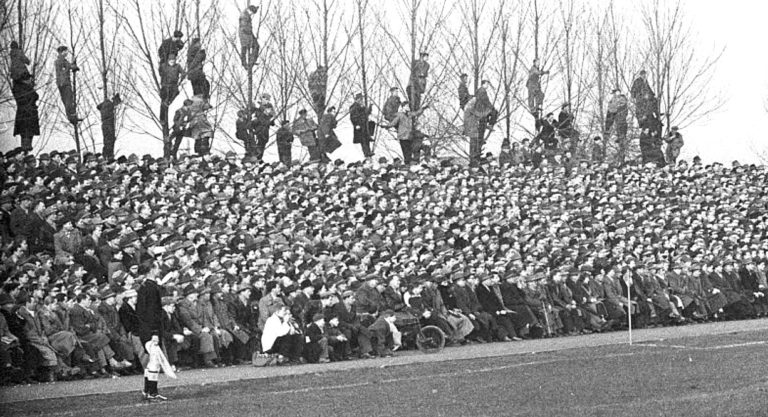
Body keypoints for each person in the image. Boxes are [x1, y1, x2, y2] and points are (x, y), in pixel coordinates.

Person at [159, 54, 184, 155]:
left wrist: (182, 77)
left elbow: (183, 72)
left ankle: (169, 101)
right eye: (171, 60)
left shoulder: (177, 66)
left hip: (173, 85)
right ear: (168, 60)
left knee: (176, 93)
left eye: (173, 60)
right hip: (165, 85)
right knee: (163, 103)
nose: (172, 61)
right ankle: (162, 118)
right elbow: (160, 71)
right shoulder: (164, 66)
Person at [11, 73, 39, 151]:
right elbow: (35, 96)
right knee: (27, 135)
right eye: (30, 79)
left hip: (25, 115)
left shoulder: (19, 88)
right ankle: (26, 151)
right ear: (26, 80)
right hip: (27, 115)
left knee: (27, 135)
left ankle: (26, 150)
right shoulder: (24, 88)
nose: (31, 80)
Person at [54, 46, 80, 124]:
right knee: (68, 100)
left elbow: (68, 66)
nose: (67, 53)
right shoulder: (61, 60)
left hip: (61, 83)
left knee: (67, 100)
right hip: (64, 83)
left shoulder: (61, 60)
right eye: (65, 51)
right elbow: (68, 66)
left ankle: (72, 116)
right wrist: (74, 66)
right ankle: (72, 117)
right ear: (62, 52)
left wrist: (73, 65)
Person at [96, 94, 122, 160]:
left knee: (106, 142)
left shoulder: (105, 104)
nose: (117, 106)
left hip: (105, 125)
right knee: (109, 142)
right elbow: (109, 119)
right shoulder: (109, 105)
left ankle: (105, 156)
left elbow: (98, 107)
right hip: (108, 126)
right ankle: (107, 157)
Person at [604, 89, 629, 155]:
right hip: (614, 122)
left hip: (620, 121)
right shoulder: (612, 102)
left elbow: (623, 108)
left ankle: (622, 148)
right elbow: (609, 116)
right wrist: (607, 129)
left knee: (622, 135)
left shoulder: (622, 100)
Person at [349, 93, 373, 158]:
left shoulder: (362, 106)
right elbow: (352, 117)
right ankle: (366, 153)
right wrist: (356, 124)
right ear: (357, 99)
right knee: (363, 140)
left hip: (364, 125)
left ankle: (368, 152)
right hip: (359, 126)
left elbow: (367, 113)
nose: (361, 100)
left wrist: (370, 106)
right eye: (360, 99)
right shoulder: (354, 107)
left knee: (366, 139)